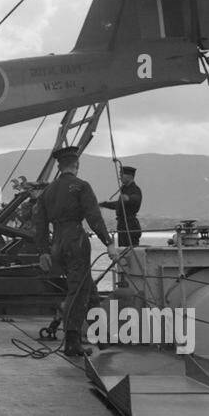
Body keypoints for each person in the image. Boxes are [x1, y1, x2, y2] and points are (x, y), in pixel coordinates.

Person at [34, 146, 119, 356]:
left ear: (59, 166)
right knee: (78, 291)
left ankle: (101, 337)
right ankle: (71, 342)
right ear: (76, 165)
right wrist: (108, 242)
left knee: (88, 289)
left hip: (57, 244)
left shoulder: (48, 191)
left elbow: (40, 224)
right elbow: (93, 217)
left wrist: (43, 252)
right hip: (75, 241)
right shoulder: (81, 186)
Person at [101, 165, 143, 247]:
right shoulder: (124, 189)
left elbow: (135, 199)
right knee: (122, 250)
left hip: (130, 225)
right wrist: (104, 204)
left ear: (129, 176)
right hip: (122, 225)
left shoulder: (135, 189)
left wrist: (128, 198)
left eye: (121, 175)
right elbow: (118, 205)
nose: (120, 177)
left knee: (130, 251)